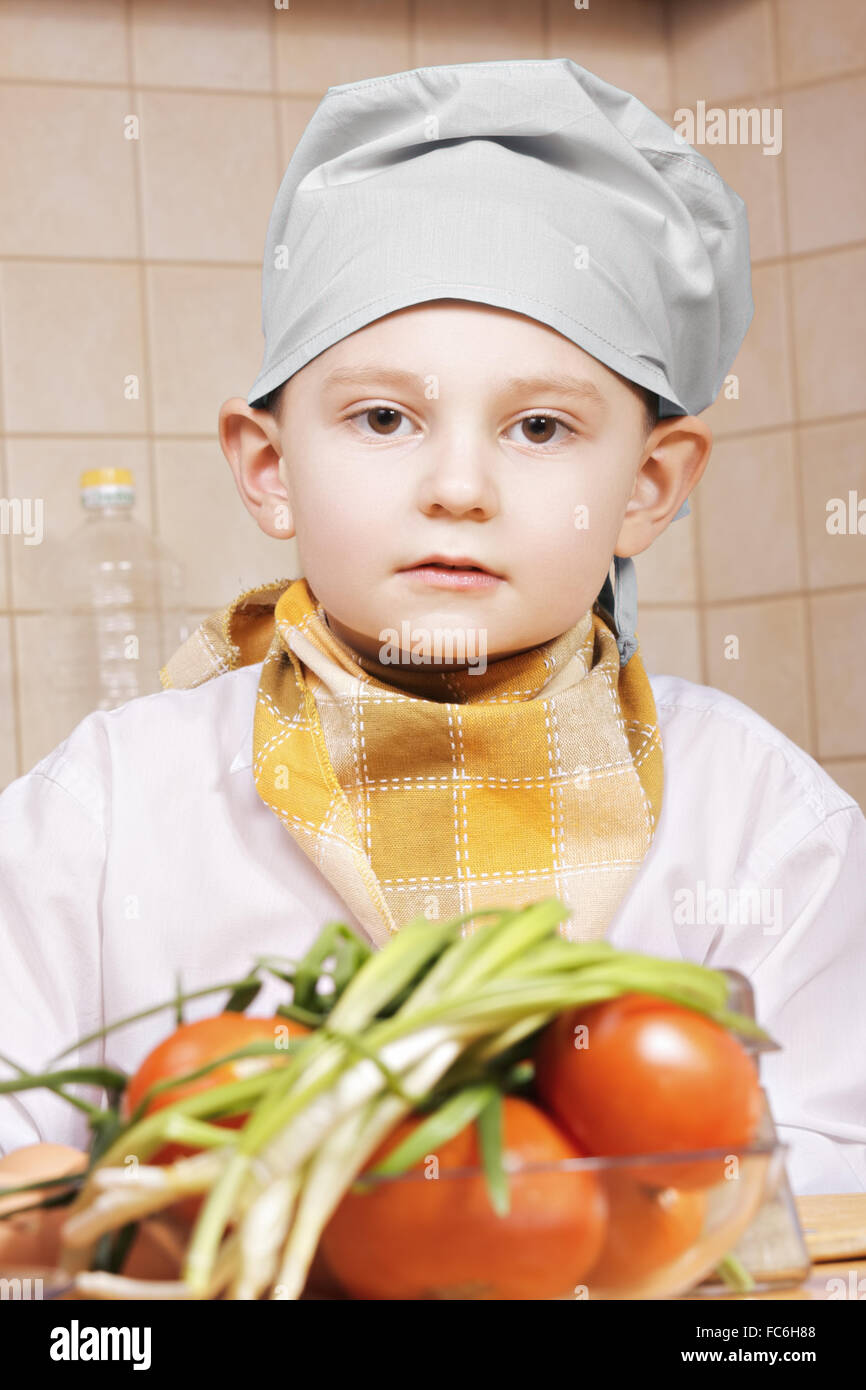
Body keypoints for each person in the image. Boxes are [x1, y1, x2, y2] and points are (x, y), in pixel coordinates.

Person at [1, 59, 864, 1215]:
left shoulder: (762, 820)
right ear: (270, 469)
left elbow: (827, 1183)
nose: (457, 485)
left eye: (541, 425)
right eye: (382, 417)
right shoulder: (96, 814)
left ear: (648, 487)